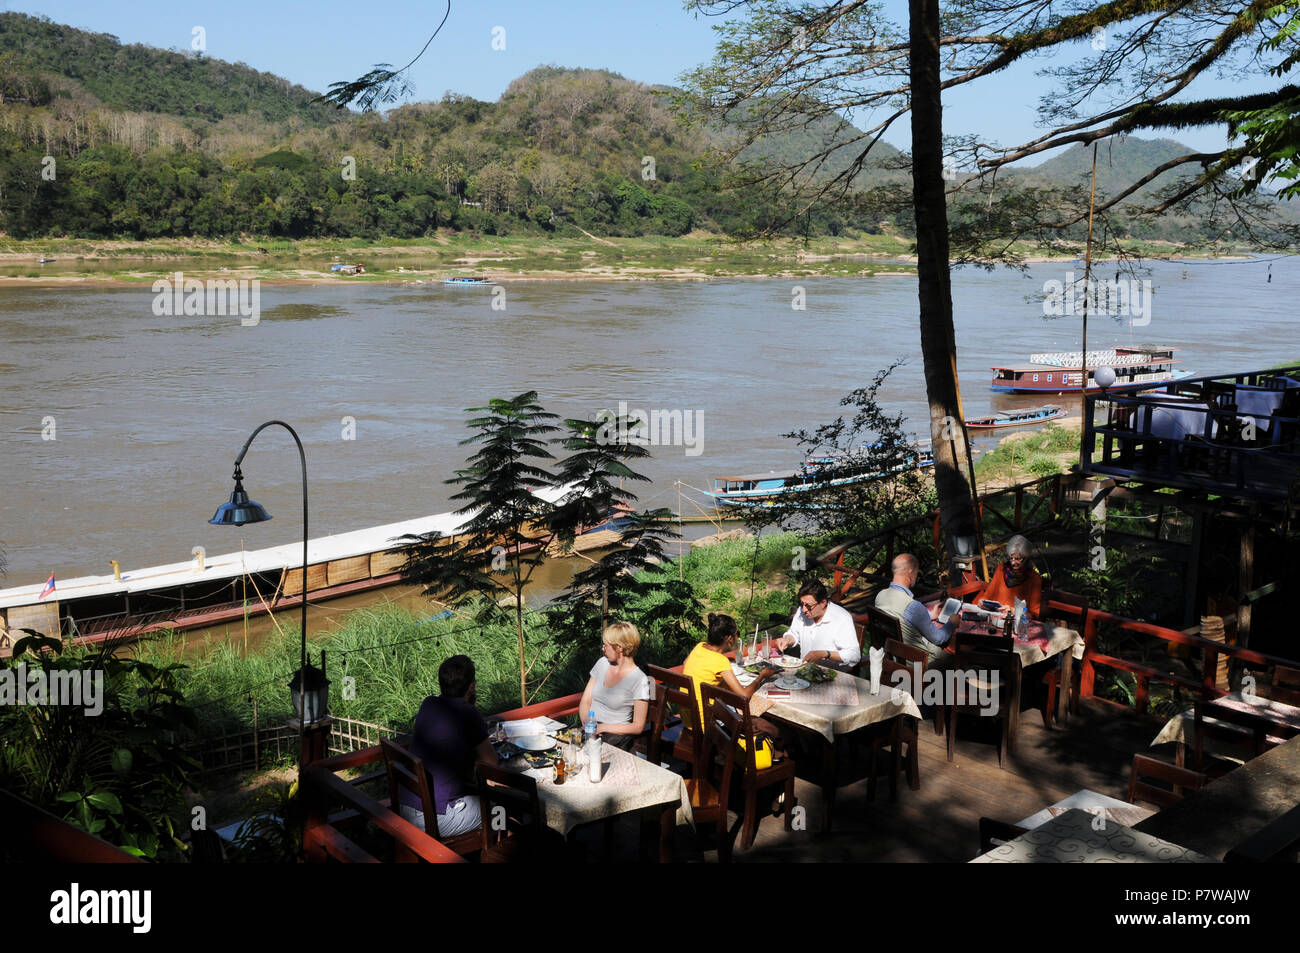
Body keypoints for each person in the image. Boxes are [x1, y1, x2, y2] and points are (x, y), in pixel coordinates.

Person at [400, 654, 498, 838]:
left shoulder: (428, 703)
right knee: (502, 808)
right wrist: (471, 708)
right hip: (434, 817)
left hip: (405, 805)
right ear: (471, 686)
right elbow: (491, 763)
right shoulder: (469, 713)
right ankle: (497, 851)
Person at [682, 612, 780, 729]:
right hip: (707, 725)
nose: (737, 637)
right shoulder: (720, 660)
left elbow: (686, 663)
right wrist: (762, 676)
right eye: (736, 634)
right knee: (769, 727)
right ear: (729, 638)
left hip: (689, 720)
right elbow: (744, 695)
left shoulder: (700, 646)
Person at [577, 621, 652, 751]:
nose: (602, 648)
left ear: (620, 648)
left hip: (616, 738)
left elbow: (638, 726)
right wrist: (587, 724)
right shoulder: (602, 663)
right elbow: (586, 701)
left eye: (606, 645)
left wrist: (603, 727)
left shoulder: (640, 679)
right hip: (590, 730)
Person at [873, 553, 957, 665]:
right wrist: (952, 623)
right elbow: (938, 638)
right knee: (959, 653)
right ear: (910, 572)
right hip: (919, 665)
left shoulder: (880, 596)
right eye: (917, 572)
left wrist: (928, 616)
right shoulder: (913, 606)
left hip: (894, 659)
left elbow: (901, 618)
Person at [774, 579, 861, 671]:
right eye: (801, 604)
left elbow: (854, 655)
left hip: (832, 674)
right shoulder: (803, 611)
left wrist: (825, 654)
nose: (804, 609)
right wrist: (787, 640)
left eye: (808, 606)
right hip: (805, 670)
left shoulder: (841, 618)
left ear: (823, 603)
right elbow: (794, 633)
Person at [981, 534, 1045, 618]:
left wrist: (1014, 611)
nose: (1013, 563)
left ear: (1026, 559)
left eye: (1018, 559)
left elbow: (1034, 613)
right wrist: (982, 601)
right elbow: (988, 595)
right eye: (1011, 558)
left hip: (1015, 622)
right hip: (995, 616)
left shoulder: (1034, 578)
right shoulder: (1001, 568)